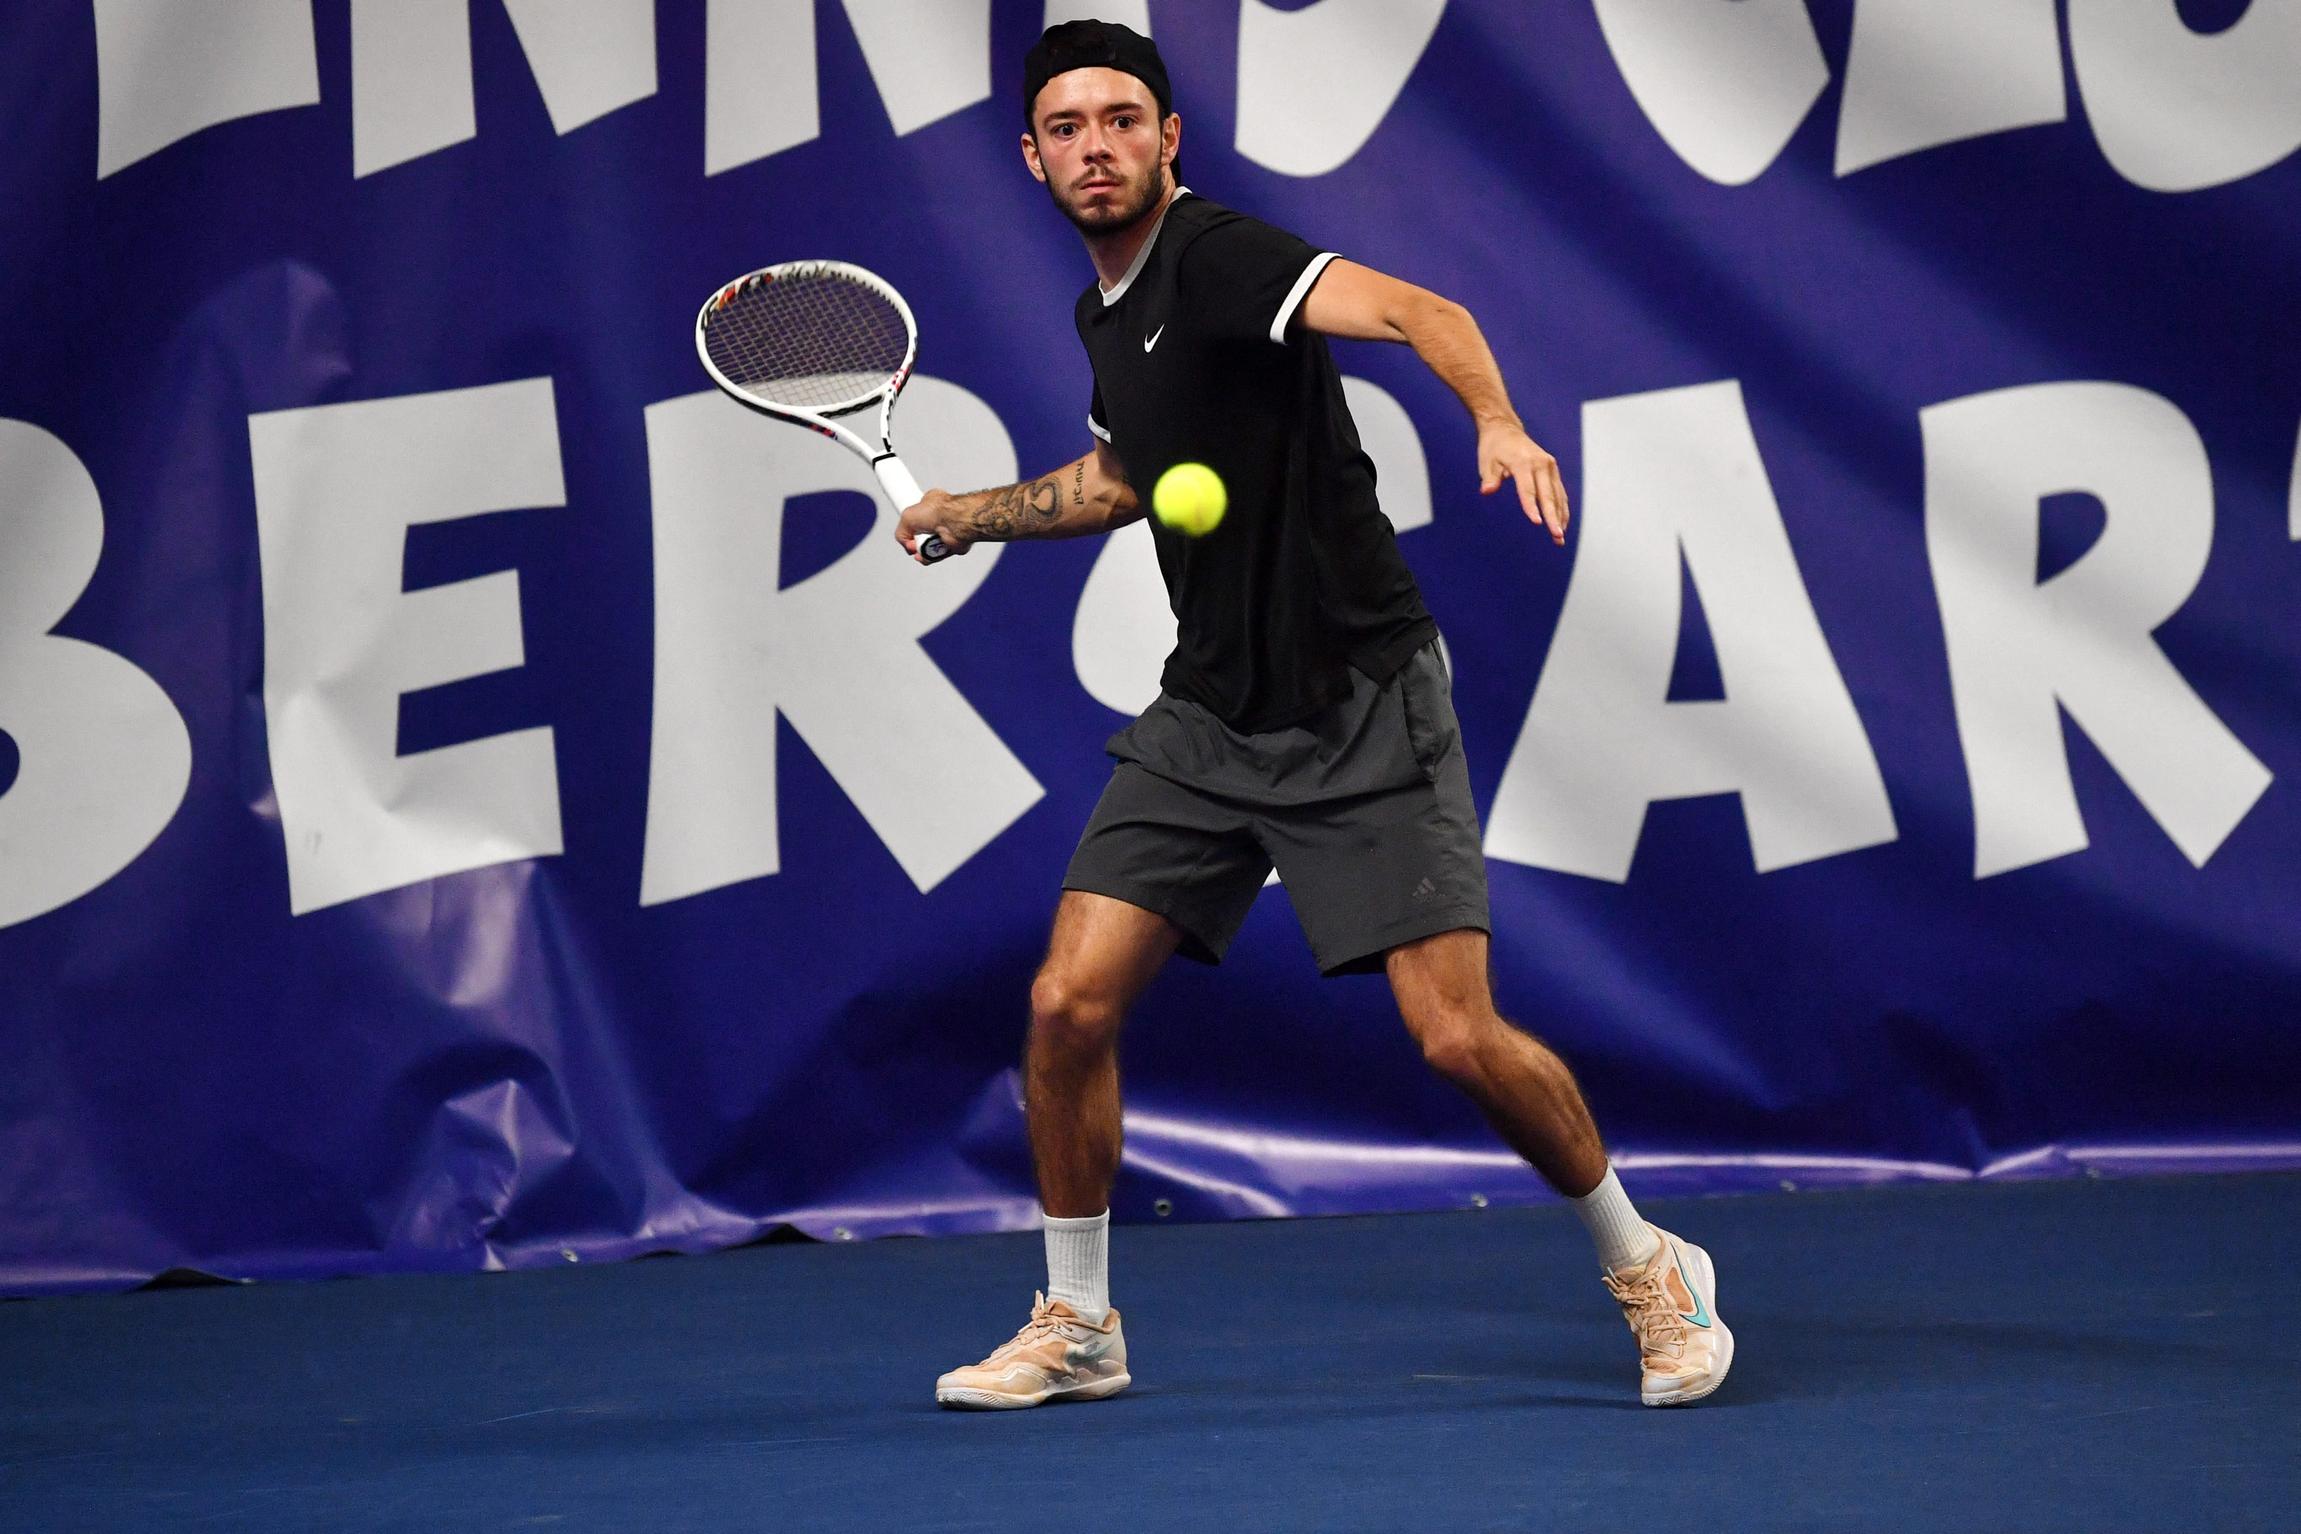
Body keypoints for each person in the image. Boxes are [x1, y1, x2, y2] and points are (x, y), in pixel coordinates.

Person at [896, 20, 1731, 1411]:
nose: (1095, 144)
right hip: (1209, 709)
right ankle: (1081, 1318)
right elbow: (1124, 476)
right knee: (1064, 1002)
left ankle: (1649, 1261)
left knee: (1456, 1037)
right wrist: (969, 515)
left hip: (1357, 695)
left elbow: (1422, 314)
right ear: (1031, 159)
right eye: (1066, 127)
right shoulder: (1107, 313)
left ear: (1168, 141)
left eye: (1121, 119)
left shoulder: (1220, 258)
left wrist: (1497, 422)